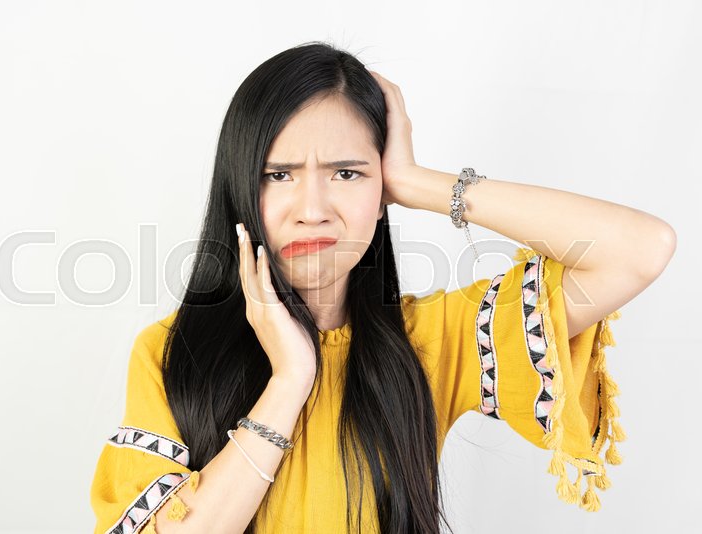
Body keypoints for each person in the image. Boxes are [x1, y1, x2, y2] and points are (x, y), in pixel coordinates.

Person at [89, 41, 676, 534]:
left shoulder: (429, 338)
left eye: (347, 173)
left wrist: (417, 182)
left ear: (381, 194)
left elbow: (640, 249)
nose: (313, 209)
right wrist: (290, 380)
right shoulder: (172, 352)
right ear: (241, 188)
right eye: (278, 174)